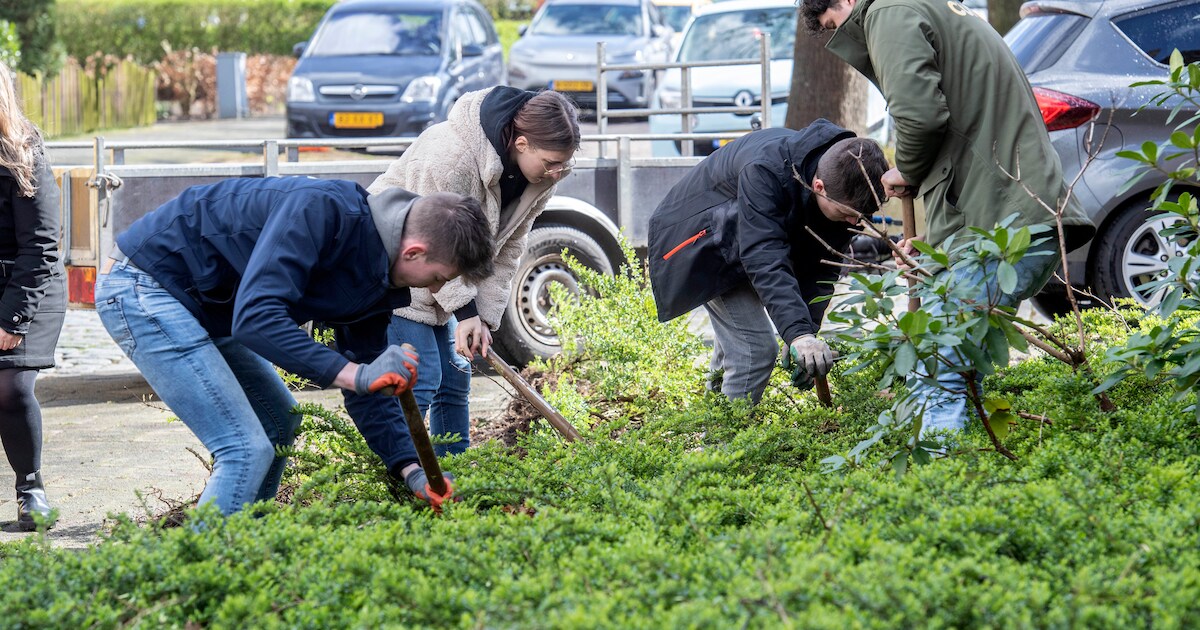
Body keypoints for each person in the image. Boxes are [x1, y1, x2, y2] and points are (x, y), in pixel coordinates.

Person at [93, 178, 495, 516]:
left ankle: (253, 549)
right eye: (440, 276)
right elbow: (256, 319)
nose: (437, 289)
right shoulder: (321, 211)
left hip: (203, 306)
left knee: (280, 424)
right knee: (244, 447)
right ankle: (199, 579)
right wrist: (356, 373)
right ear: (414, 252)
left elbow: (369, 391)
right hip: (145, 285)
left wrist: (413, 470)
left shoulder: (379, 279)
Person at [799, 0, 1096, 433]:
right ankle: (973, 470)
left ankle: (938, 486)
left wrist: (906, 168)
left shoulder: (888, 12)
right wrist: (935, 252)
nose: (839, 34)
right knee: (959, 367)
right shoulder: (922, 6)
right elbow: (961, 139)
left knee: (935, 366)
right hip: (1011, 218)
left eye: (832, 24)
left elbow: (921, 117)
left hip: (1006, 225)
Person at [368, 87, 580, 456]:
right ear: (522, 143)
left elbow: (509, 247)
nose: (557, 172)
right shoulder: (449, 157)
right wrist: (464, 313)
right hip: (395, 268)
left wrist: (483, 318)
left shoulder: (544, 177)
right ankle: (403, 477)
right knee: (423, 378)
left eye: (563, 163)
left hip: (446, 274)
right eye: (550, 162)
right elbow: (429, 244)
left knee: (455, 377)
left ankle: (457, 476)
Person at [648, 119, 888, 403]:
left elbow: (820, 269)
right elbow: (764, 255)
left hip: (741, 241)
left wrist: (805, 332)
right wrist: (797, 334)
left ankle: (708, 422)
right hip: (698, 242)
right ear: (819, 186)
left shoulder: (845, 187)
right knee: (755, 351)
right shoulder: (766, 170)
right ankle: (722, 444)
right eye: (849, 214)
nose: (855, 222)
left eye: (861, 216)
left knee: (737, 346)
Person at [0, 61, 67, 531]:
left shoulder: (23, 150)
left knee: (10, 384)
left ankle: (31, 487)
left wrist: (11, 320)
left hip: (26, 284)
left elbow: (43, 244)